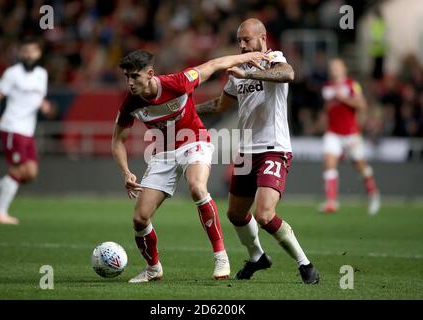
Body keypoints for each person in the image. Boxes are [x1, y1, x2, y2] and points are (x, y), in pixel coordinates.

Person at [112, 49, 270, 283]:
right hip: (163, 153)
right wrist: (126, 172)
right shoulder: (130, 104)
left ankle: (220, 255)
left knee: (197, 187)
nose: (130, 82)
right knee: (140, 218)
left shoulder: (178, 82)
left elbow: (215, 64)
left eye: (134, 76)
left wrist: (249, 56)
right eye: (127, 77)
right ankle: (153, 268)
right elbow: (117, 141)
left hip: (194, 141)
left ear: (150, 74)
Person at [196, 18, 319, 284]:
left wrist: (249, 73)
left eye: (247, 40)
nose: (241, 45)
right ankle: (257, 257)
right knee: (235, 214)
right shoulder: (237, 68)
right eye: (239, 40)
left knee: (264, 214)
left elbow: (288, 75)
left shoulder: (274, 59)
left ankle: (305, 264)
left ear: (262, 39)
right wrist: (189, 111)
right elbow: (220, 105)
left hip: (273, 149)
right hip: (246, 151)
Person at [0, 37, 50, 225]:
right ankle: (0, 212)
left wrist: (43, 104)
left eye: (32, 51)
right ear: (20, 54)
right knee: (18, 169)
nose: (29, 55)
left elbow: (36, 96)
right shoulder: (12, 73)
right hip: (12, 127)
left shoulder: (42, 74)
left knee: (31, 173)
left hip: (28, 130)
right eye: (25, 51)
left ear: (39, 54)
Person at [320, 58, 380, 215]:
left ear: (344, 68)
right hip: (333, 132)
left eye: (337, 67)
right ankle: (331, 201)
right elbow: (328, 109)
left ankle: (373, 194)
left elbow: (362, 104)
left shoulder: (352, 84)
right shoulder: (327, 87)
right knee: (329, 163)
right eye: (332, 67)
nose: (333, 69)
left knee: (360, 166)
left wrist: (343, 98)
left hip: (351, 133)